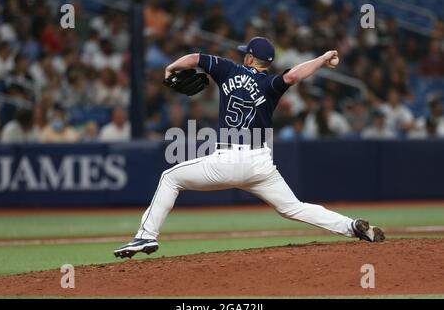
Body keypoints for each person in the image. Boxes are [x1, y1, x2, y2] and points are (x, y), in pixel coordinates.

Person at [114, 37, 385, 258]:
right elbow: (293, 76)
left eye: (246, 53)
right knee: (293, 207)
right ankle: (352, 226)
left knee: (170, 177)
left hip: (226, 160)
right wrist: (324, 58)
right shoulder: (270, 84)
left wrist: (170, 68)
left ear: (249, 58)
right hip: (260, 164)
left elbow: (195, 58)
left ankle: (146, 237)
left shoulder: (227, 68)